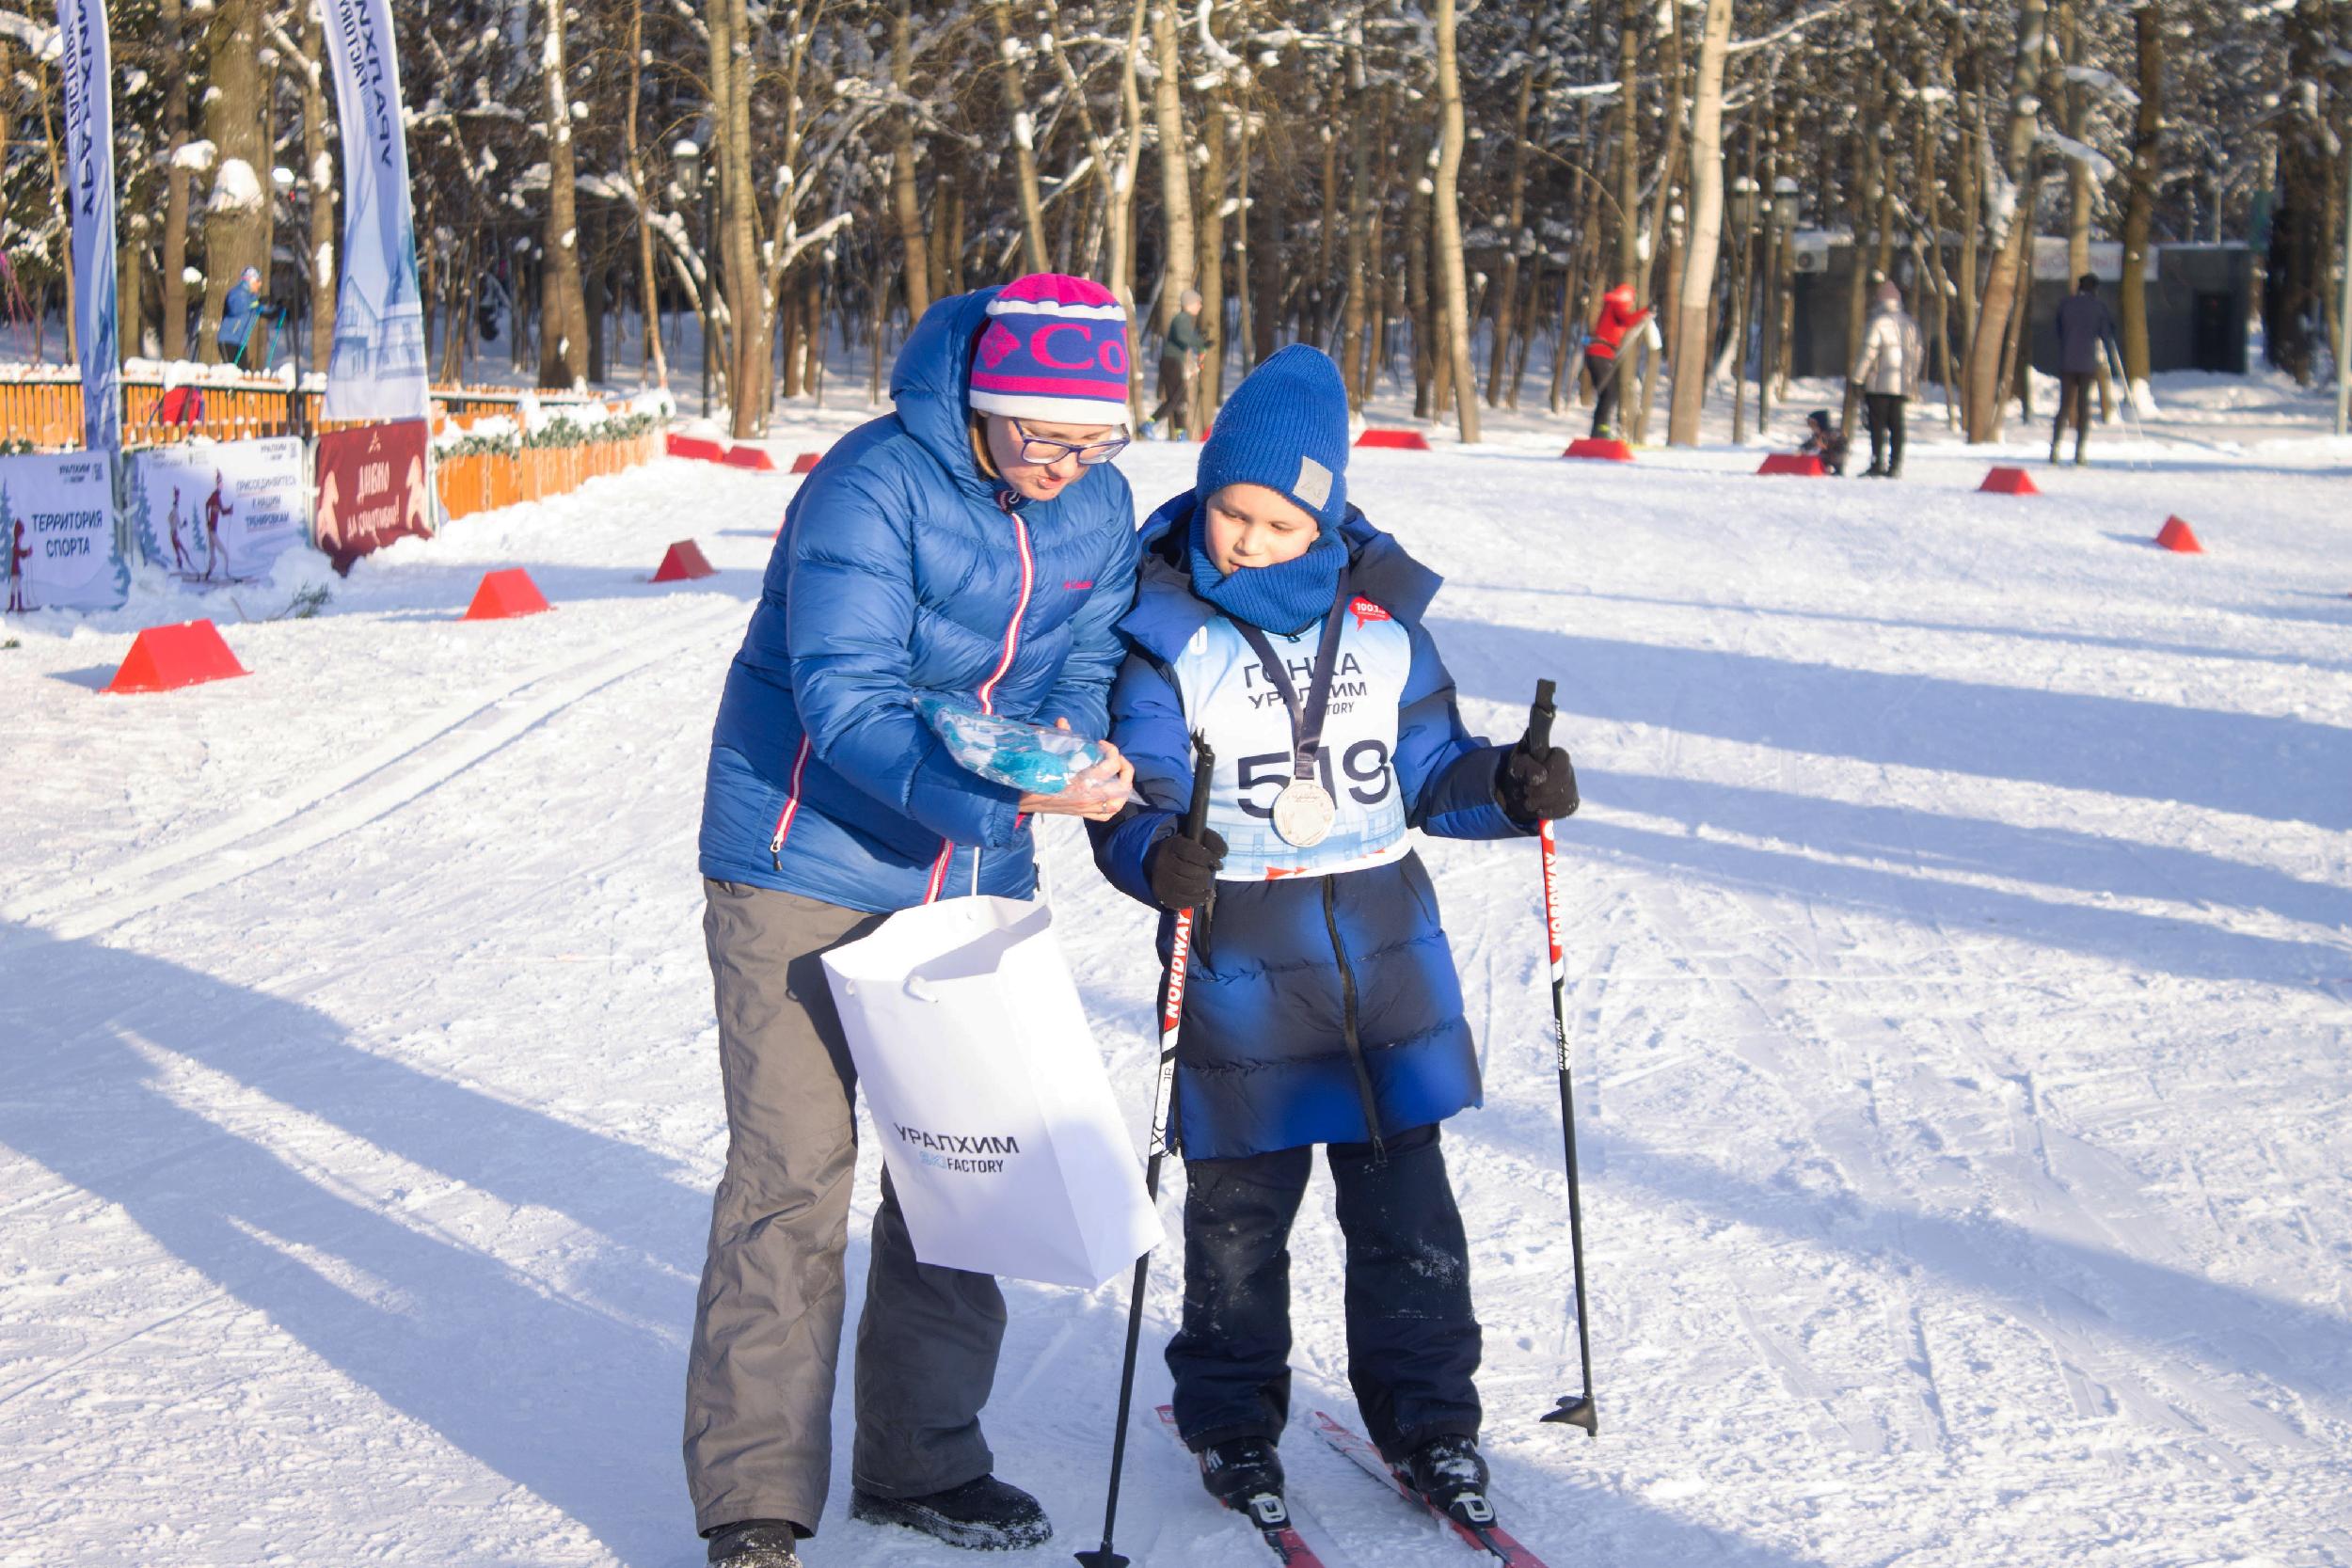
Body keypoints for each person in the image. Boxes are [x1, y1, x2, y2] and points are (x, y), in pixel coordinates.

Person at [689, 273, 1145, 1568]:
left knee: (967, 1168)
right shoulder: (872, 483)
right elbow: (844, 696)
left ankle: (923, 1456)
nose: (1069, 464)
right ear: (987, 408)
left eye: (1095, 439)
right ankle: (754, 1508)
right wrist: (993, 797)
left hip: (973, 866)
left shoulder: (1099, 505)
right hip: (801, 858)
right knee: (792, 1176)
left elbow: (1091, 662)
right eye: (1044, 436)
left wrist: (1078, 753)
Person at [1089, 345, 1580, 1536]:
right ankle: (1230, 1423)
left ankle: (1430, 1425)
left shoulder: (1384, 627)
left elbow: (1427, 774)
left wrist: (1508, 786)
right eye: (1229, 511)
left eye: (1273, 518)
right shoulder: (1160, 631)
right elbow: (1135, 791)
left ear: (1320, 512)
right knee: (1239, 1221)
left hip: (1384, 960)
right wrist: (1157, 852)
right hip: (1240, 968)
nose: (1244, 539)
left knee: (1409, 1219)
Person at [1850, 280, 1923, 478]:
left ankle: (1877, 462)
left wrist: (1857, 378)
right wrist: (1911, 379)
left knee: (1877, 425)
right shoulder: (1911, 325)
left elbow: (1868, 352)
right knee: (1897, 424)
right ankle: (1896, 464)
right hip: (1901, 385)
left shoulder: (1877, 322)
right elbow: (1917, 355)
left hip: (1878, 383)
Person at [2052, 272, 2121, 466]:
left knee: (2064, 406)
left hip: (2067, 361)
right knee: (2083, 407)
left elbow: (2059, 329)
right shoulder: (2098, 307)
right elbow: (2107, 333)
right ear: (2095, 289)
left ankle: (2055, 448)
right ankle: (2079, 451)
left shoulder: (2066, 304)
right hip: (2087, 363)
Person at [1582, 282, 1653, 439]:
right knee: (1609, 393)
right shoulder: (1615, 305)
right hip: (1599, 354)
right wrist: (1645, 311)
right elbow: (1627, 320)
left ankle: (1599, 431)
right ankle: (1600, 431)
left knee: (1608, 394)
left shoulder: (1611, 307)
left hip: (1600, 354)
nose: (1630, 305)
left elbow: (1625, 323)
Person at [1149, 289, 1210, 440]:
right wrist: (1201, 342)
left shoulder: (1184, 319)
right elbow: (1183, 337)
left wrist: (1200, 342)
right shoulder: (1182, 318)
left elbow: (1187, 337)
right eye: (1198, 303)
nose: (1200, 306)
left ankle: (1180, 433)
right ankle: (1149, 424)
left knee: (1179, 399)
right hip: (1171, 362)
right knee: (1176, 398)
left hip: (1173, 361)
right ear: (1190, 304)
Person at [215, 268, 275, 369]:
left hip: (241, 342)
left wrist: (278, 308)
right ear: (250, 281)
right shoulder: (237, 293)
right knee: (233, 371)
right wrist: (258, 302)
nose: (259, 284)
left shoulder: (251, 297)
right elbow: (237, 309)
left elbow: (263, 311)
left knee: (243, 372)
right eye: (257, 281)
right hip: (228, 339)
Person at [1797, 409, 1850, 476]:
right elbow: (1809, 444)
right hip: (1821, 466)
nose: (1811, 427)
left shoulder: (1833, 434)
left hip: (1835, 464)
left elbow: (1841, 450)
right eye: (1809, 424)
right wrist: (1802, 449)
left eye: (1812, 424)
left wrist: (1832, 463)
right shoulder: (1817, 436)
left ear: (1820, 424)